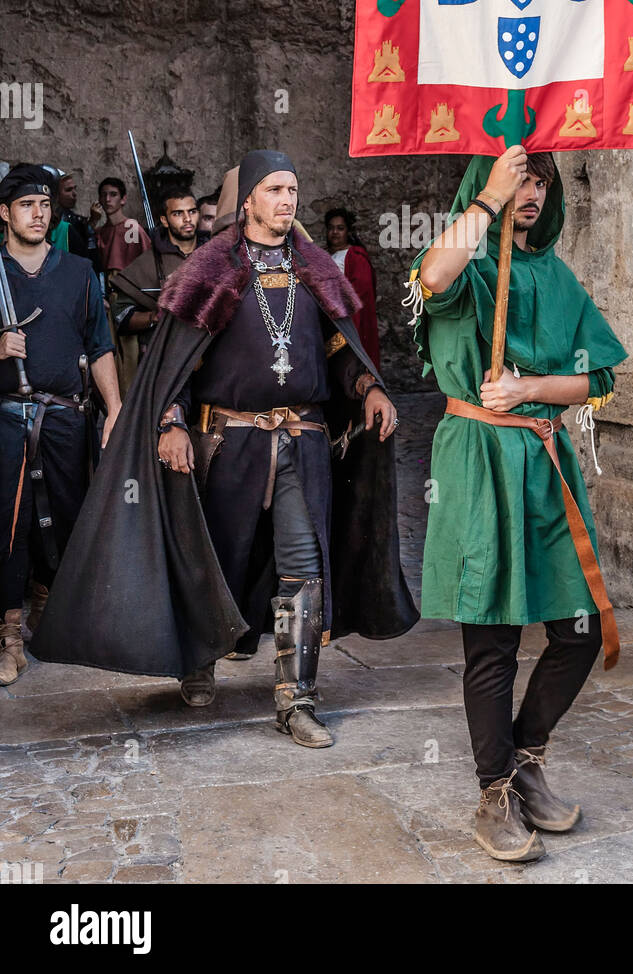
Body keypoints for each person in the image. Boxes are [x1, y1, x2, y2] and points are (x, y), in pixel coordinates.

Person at [33, 150, 418, 745]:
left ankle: (298, 698)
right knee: (217, 556)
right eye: (275, 190)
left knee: (304, 565)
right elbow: (175, 365)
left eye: (293, 189)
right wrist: (170, 422)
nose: (287, 200)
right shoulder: (211, 270)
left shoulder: (315, 269)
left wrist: (368, 387)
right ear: (248, 202)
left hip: (303, 439)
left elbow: (339, 351)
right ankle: (200, 656)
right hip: (228, 442)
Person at [407, 147, 627, 862]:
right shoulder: (467, 266)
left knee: (580, 628)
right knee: (494, 636)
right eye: (520, 179)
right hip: (478, 459)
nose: (532, 192)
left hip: (543, 458)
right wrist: (488, 201)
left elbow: (600, 379)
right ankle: (493, 789)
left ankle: (527, 757)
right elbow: (430, 276)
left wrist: (533, 388)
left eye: (541, 182)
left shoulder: (558, 276)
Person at [0, 165, 120, 685]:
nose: (38, 213)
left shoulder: (76, 273)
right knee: (9, 523)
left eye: (45, 205)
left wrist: (115, 409)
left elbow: (100, 345)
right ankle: (8, 632)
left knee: (66, 513)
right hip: (6, 415)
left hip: (66, 416)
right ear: (5, 213)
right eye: (27, 205)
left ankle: (52, 608)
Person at [109, 190, 202, 363]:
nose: (187, 219)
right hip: (166, 358)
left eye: (192, 211)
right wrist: (156, 316)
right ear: (164, 220)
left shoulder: (215, 253)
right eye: (177, 213)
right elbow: (121, 316)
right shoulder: (148, 263)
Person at [325, 206, 381, 369]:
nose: (335, 232)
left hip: (346, 320)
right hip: (326, 320)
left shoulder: (355, 256)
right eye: (331, 228)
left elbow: (359, 293)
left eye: (340, 228)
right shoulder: (325, 256)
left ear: (348, 231)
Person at [92, 176, 151, 273]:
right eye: (104, 195)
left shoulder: (131, 228)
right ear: (99, 199)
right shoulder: (99, 232)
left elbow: (142, 264)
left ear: (123, 199)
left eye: (113, 195)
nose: (107, 199)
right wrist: (93, 220)